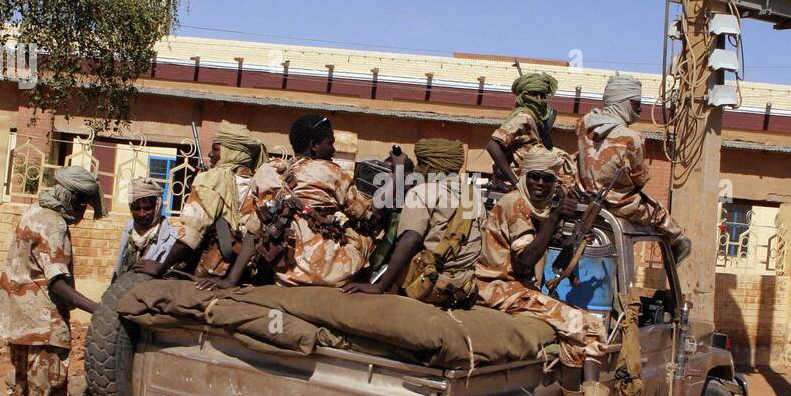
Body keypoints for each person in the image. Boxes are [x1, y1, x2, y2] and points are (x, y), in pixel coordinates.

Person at [475, 147, 634, 396]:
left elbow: (551, 247)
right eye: (534, 177)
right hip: (497, 288)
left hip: (517, 288)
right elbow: (524, 260)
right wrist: (556, 219)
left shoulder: (539, 208)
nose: (540, 184)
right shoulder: (516, 205)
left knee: (576, 336)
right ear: (524, 177)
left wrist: (572, 237)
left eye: (547, 180)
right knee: (590, 325)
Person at [0, 166, 103, 396]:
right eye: (82, 204)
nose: (82, 212)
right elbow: (57, 283)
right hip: (44, 329)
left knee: (20, 395)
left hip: (18, 324)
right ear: (72, 198)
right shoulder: (54, 224)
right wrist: (97, 308)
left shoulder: (32, 212)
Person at [79, 176, 175, 396]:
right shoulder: (127, 231)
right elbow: (117, 273)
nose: (142, 212)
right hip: (118, 322)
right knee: (98, 393)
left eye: (148, 206)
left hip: (149, 328)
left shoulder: (170, 234)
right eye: (136, 207)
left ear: (157, 205)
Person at [208, 114, 383, 289]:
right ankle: (368, 287)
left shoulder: (273, 174)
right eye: (330, 143)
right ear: (314, 146)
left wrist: (231, 280)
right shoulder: (331, 171)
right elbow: (363, 213)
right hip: (330, 273)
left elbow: (253, 231)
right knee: (371, 235)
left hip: (287, 275)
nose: (333, 150)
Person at [342, 138, 483, 307]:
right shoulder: (474, 195)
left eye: (420, 164)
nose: (417, 169)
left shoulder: (423, 192)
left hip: (428, 285)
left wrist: (379, 286)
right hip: (462, 287)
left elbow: (411, 239)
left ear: (430, 166)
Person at [576, 73, 690, 263]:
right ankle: (676, 246)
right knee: (660, 215)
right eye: (636, 103)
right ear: (624, 102)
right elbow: (639, 179)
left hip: (582, 195)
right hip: (618, 203)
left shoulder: (584, 123)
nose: (640, 109)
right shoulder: (631, 138)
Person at [139, 122, 267, 280]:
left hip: (210, 272)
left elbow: (191, 233)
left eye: (215, 149)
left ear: (230, 152)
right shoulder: (260, 184)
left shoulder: (212, 179)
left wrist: (161, 266)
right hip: (244, 274)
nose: (210, 154)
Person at [486, 71, 559, 187]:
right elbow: (492, 146)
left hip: (533, 181)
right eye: (534, 94)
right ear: (523, 96)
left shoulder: (535, 119)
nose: (539, 99)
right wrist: (515, 183)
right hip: (520, 183)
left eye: (543, 96)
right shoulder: (523, 117)